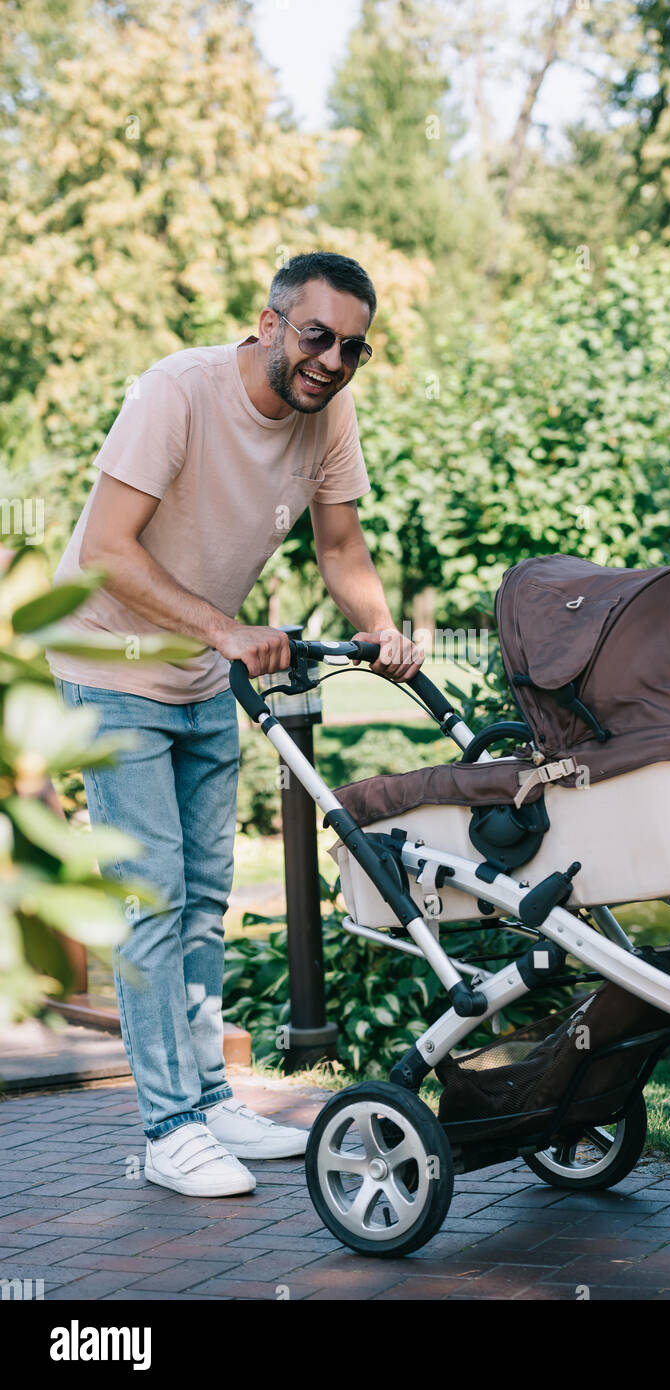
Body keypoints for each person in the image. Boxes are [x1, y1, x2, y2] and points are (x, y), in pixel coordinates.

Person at [47, 252, 424, 1197]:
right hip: (111, 661)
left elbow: (341, 545)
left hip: (202, 667)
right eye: (316, 336)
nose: (333, 361)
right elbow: (102, 550)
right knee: (152, 897)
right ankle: (168, 1126)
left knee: (207, 894)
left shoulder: (327, 412)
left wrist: (379, 628)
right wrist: (224, 628)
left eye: (352, 346)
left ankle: (210, 1100)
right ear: (268, 323)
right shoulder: (177, 393)